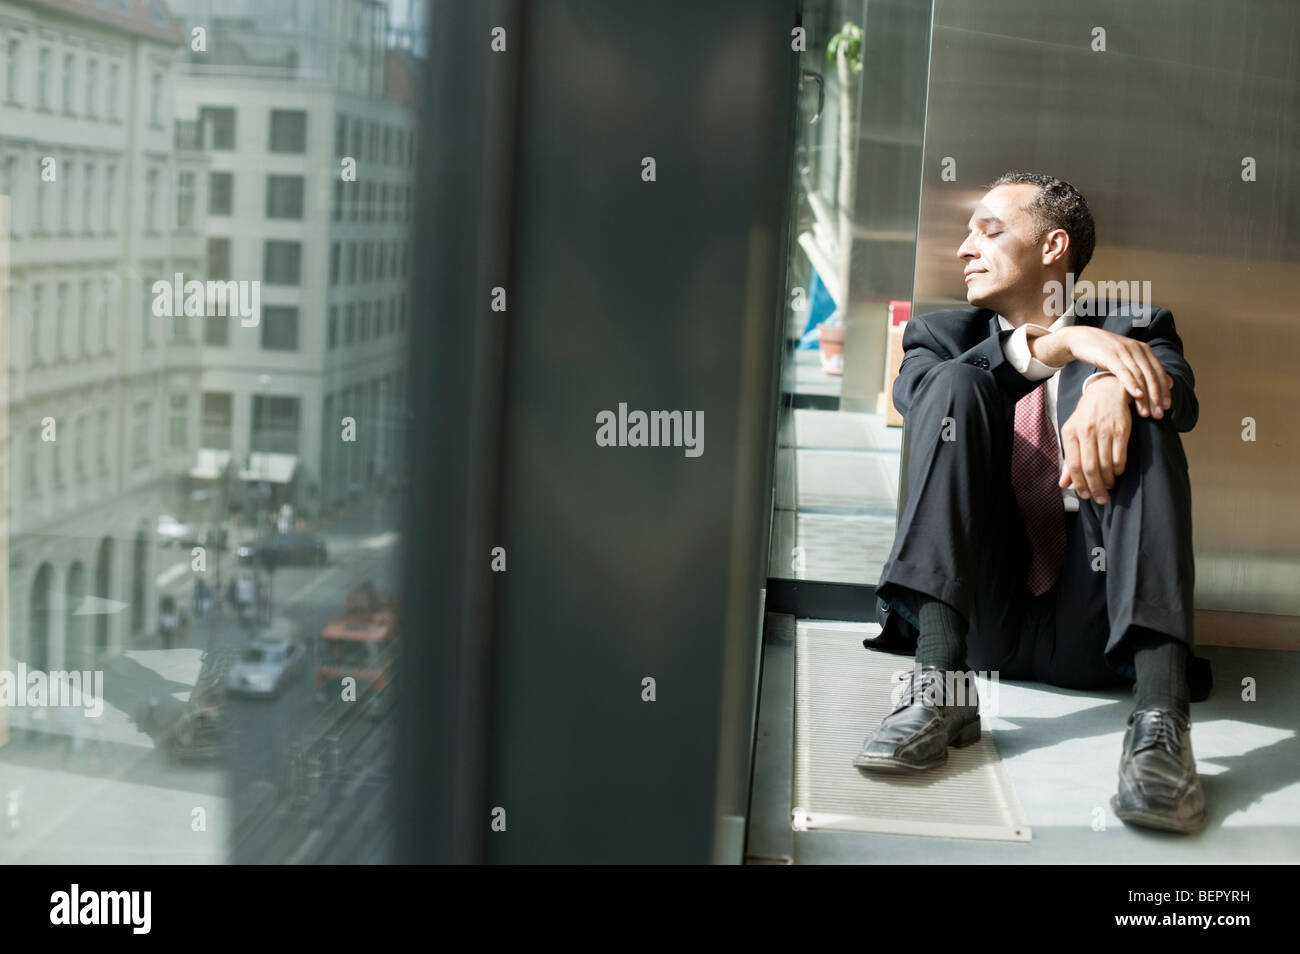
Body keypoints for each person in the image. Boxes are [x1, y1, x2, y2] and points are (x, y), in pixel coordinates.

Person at [855, 172, 1208, 834]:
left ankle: (1162, 724)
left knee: (1148, 408)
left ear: (1053, 248)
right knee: (956, 387)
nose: (965, 248)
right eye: (966, 233)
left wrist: (1111, 383)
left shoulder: (1136, 324)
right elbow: (918, 400)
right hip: (977, 620)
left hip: (1099, 627)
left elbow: (1179, 398)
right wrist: (1064, 345)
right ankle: (937, 690)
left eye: (988, 231)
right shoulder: (939, 335)